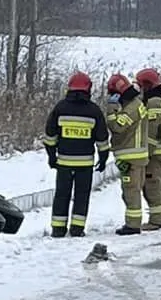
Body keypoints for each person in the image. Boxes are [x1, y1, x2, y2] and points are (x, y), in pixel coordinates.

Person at [42, 71, 109, 238]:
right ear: (88, 89)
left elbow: (50, 134)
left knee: (61, 195)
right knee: (82, 196)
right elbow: (102, 137)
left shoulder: (60, 108)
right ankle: (77, 229)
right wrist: (103, 157)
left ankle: (58, 229)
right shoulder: (94, 110)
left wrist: (51, 156)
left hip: (63, 162)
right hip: (85, 164)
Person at [104, 72, 147, 235]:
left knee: (131, 191)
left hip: (131, 156)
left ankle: (133, 225)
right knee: (132, 190)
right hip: (136, 155)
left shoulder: (132, 107)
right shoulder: (135, 103)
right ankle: (134, 222)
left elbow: (118, 126)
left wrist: (111, 110)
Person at [135, 67, 161, 231]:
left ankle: (157, 220)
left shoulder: (154, 102)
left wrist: (147, 152)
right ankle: (160, 218)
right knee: (159, 186)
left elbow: (154, 128)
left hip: (155, 153)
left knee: (152, 186)